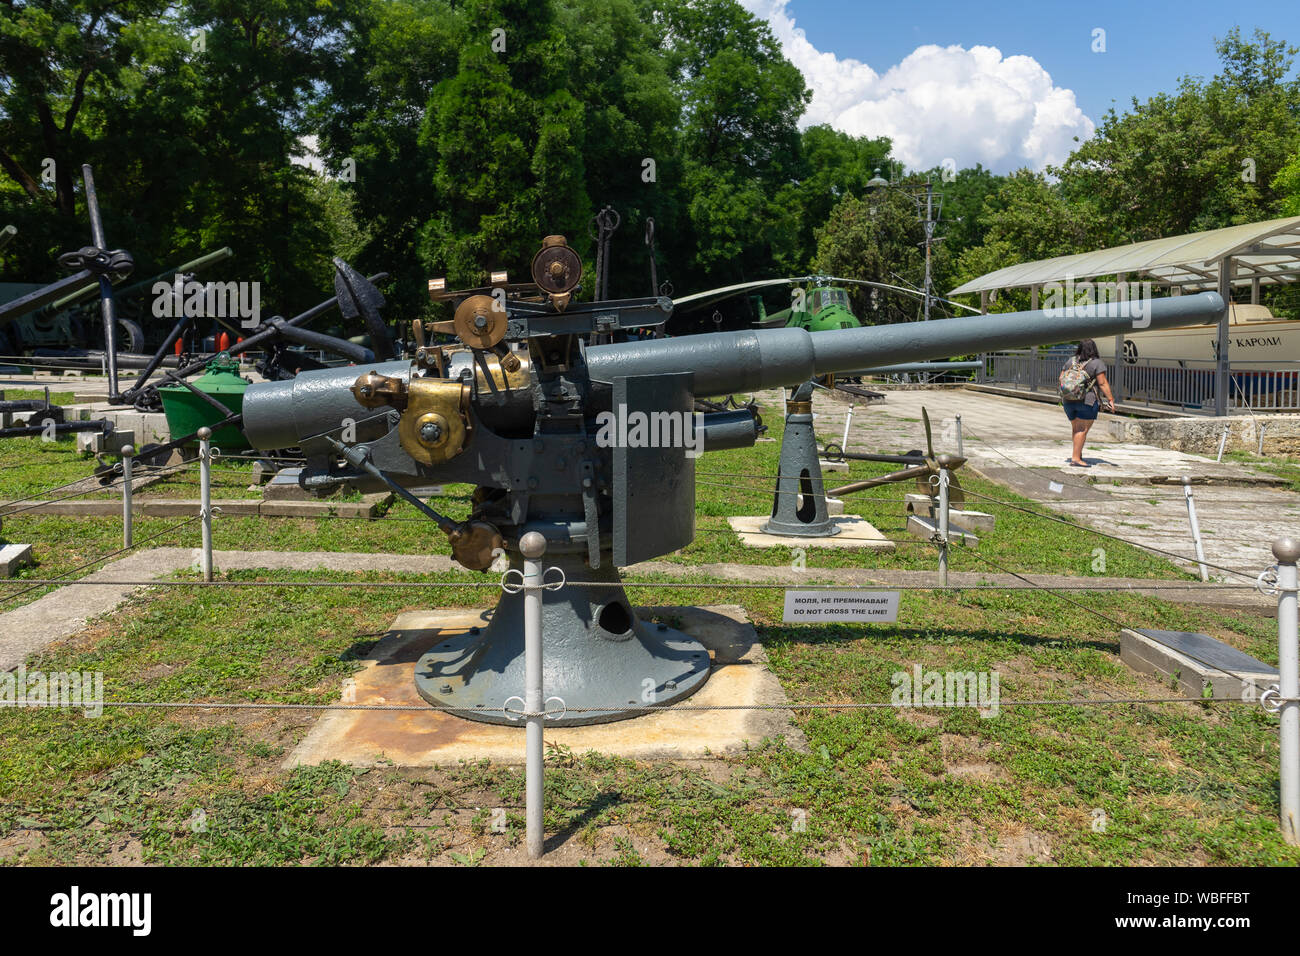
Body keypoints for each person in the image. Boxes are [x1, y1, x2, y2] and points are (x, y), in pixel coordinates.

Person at [1060, 339, 1115, 467]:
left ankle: (1077, 453)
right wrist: (1110, 400)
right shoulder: (1097, 363)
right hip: (1087, 401)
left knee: (1076, 428)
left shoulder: (1071, 361)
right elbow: (1102, 383)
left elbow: (1061, 378)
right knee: (1082, 429)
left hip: (1068, 400)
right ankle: (1076, 459)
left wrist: (1070, 391)